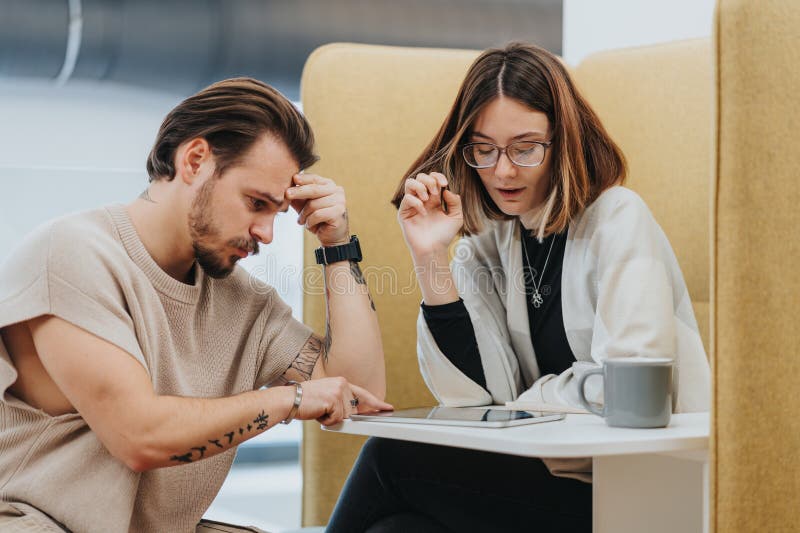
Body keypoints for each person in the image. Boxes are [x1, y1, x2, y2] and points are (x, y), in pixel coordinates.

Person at [327, 42, 710, 532]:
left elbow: (634, 395)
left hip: (637, 496)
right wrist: (429, 257)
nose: (503, 170)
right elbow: (470, 401)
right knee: (395, 530)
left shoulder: (618, 218)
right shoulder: (495, 241)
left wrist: (526, 402)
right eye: (484, 150)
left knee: (389, 459)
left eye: (525, 147)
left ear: (564, 141)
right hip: (554, 482)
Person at [0, 77, 391, 533]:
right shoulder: (72, 253)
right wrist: (292, 399)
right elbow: (140, 437)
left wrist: (338, 245)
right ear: (195, 160)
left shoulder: (244, 302)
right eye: (255, 202)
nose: (267, 232)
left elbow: (358, 395)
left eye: (277, 213)